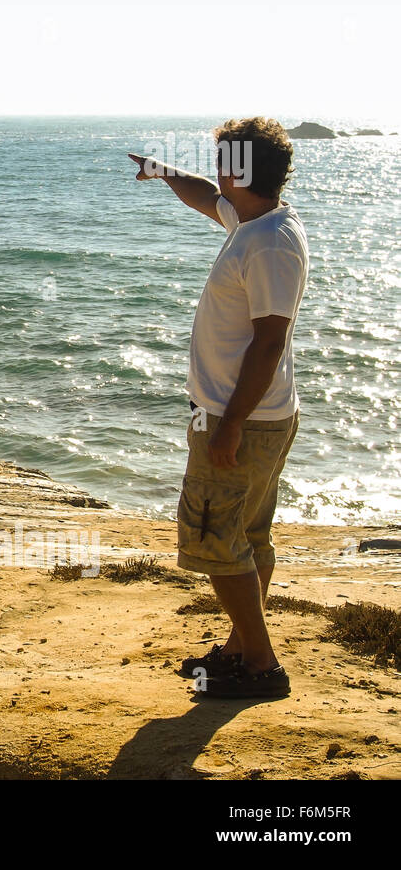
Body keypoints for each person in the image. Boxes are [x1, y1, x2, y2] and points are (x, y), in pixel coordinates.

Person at [129, 117, 308, 699]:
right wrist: (162, 173)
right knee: (247, 535)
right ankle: (239, 648)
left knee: (212, 537)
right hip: (253, 417)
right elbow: (207, 198)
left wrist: (229, 423)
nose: (215, 170)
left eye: (223, 159)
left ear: (242, 170)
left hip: (243, 421)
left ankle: (260, 663)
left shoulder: (270, 244)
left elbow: (270, 339)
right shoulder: (255, 221)